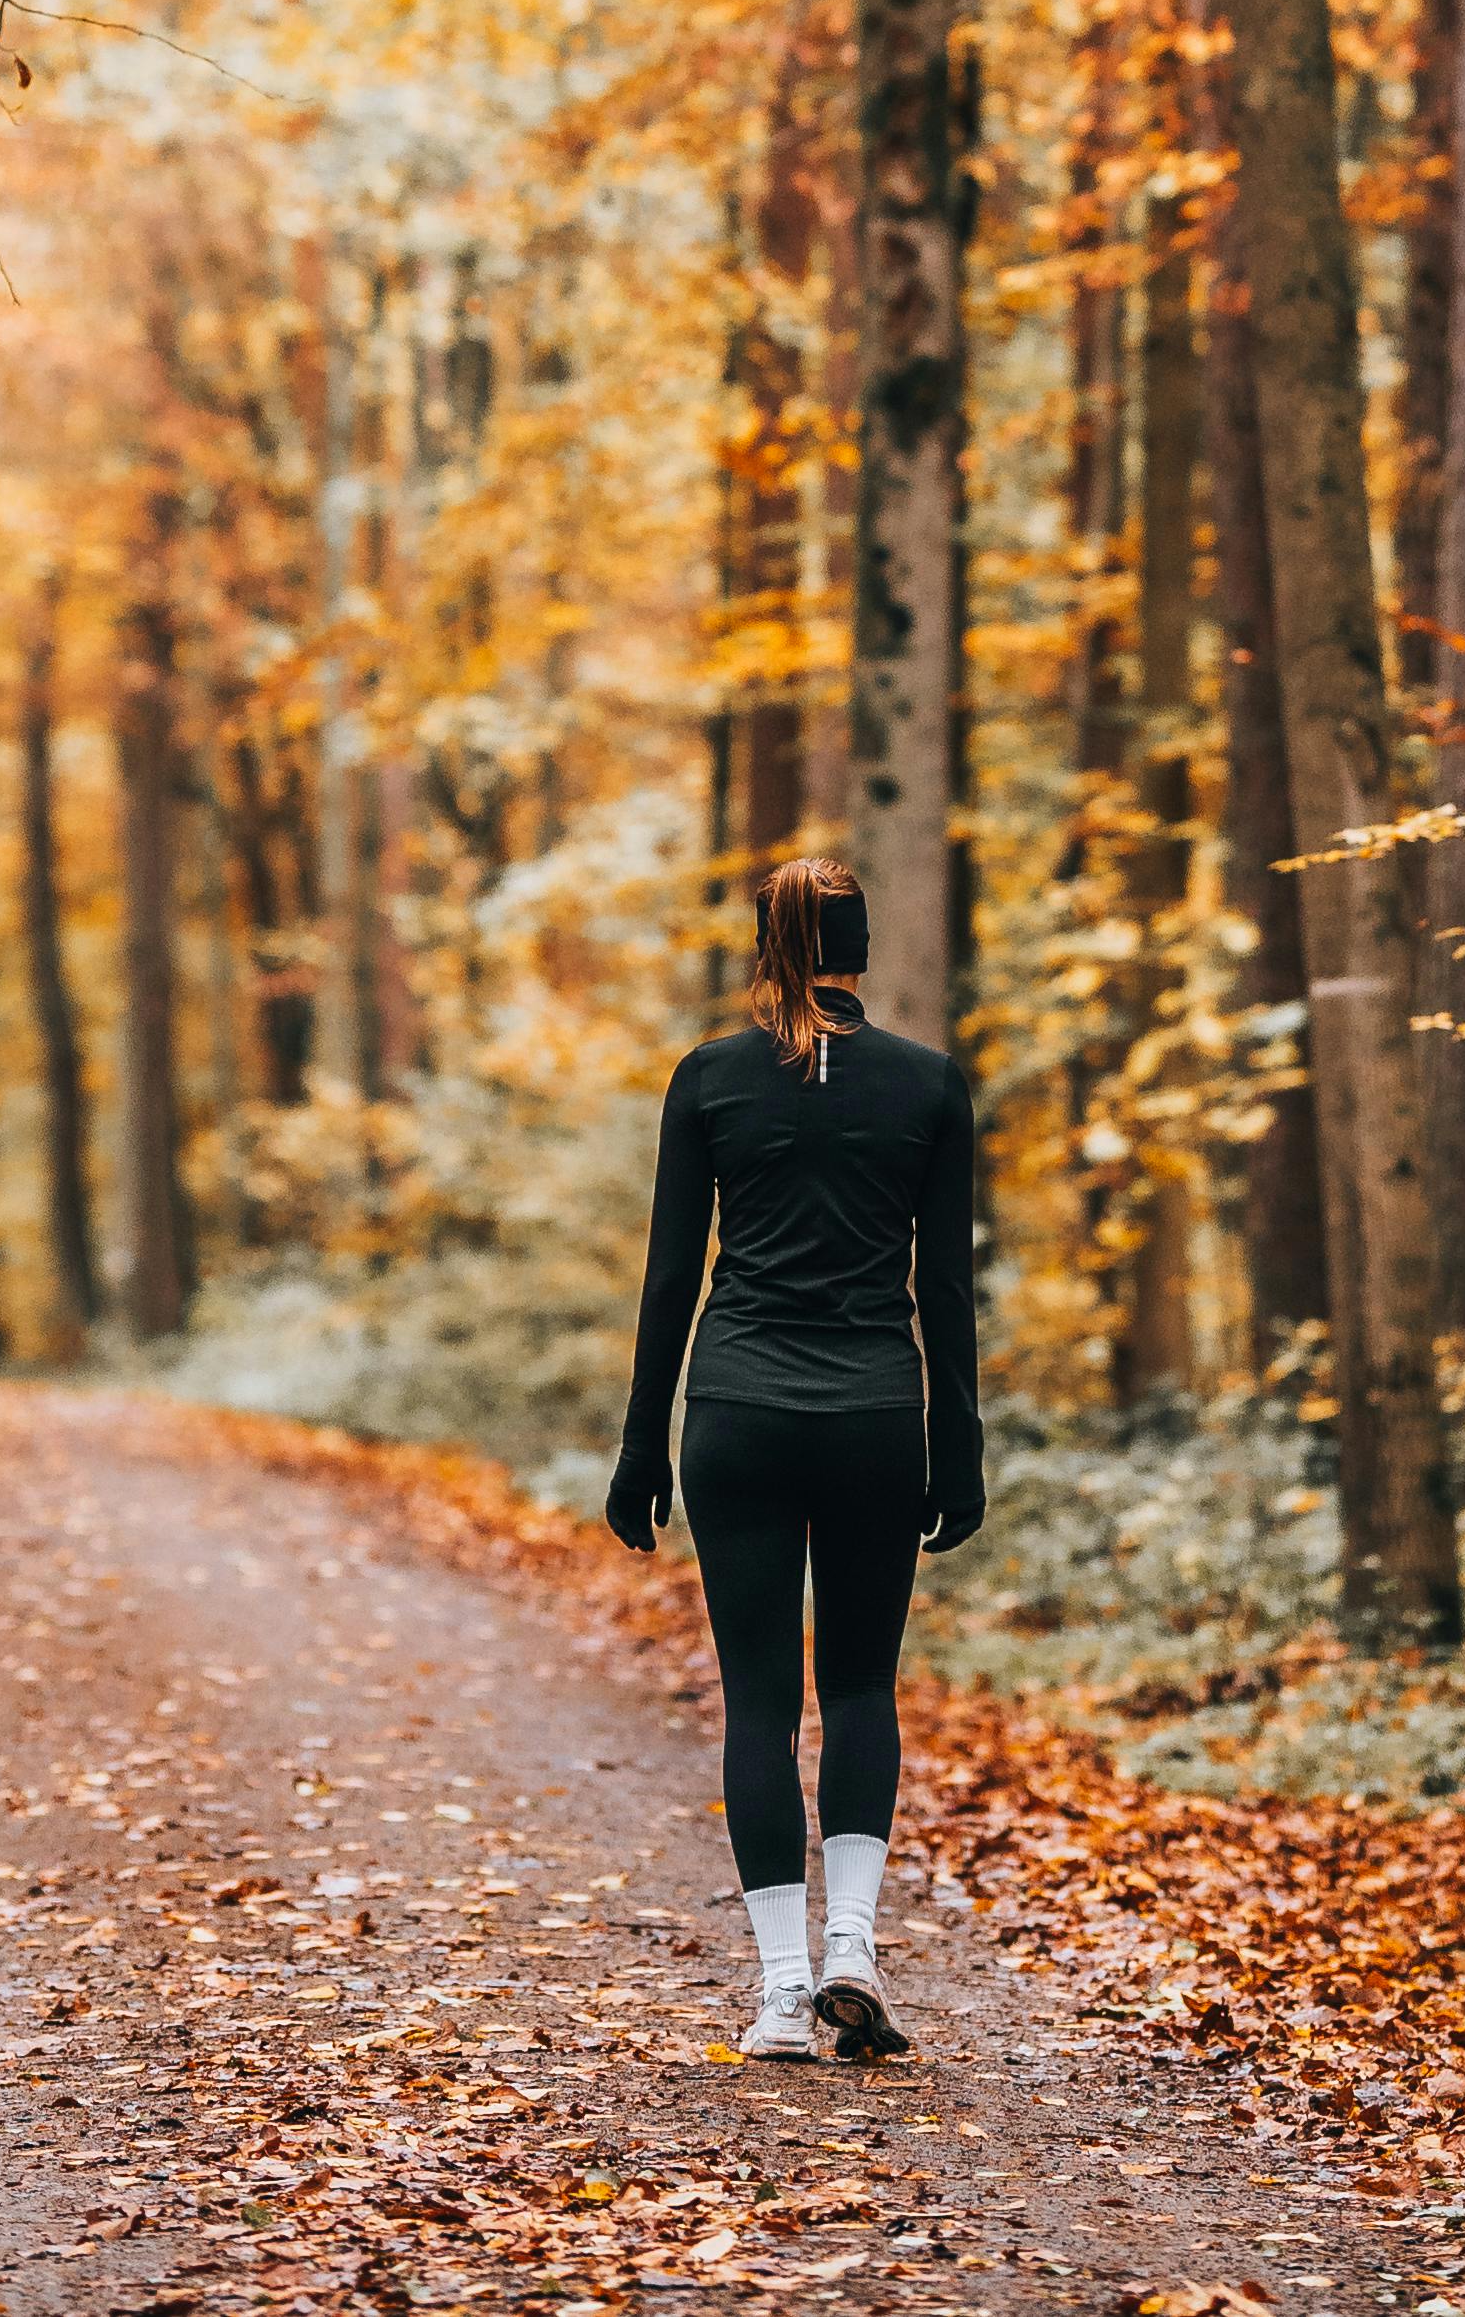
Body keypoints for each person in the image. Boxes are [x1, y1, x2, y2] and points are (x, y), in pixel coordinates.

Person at [607, 853, 982, 2065]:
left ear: (760, 946)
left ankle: (778, 1994)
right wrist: (958, 1439)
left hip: (736, 1415)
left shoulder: (709, 1080)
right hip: (877, 1413)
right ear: (857, 951)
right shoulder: (925, 1083)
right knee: (862, 1687)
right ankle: (852, 1950)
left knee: (761, 1701)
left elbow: (671, 1277)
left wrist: (638, 1447)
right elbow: (946, 1287)